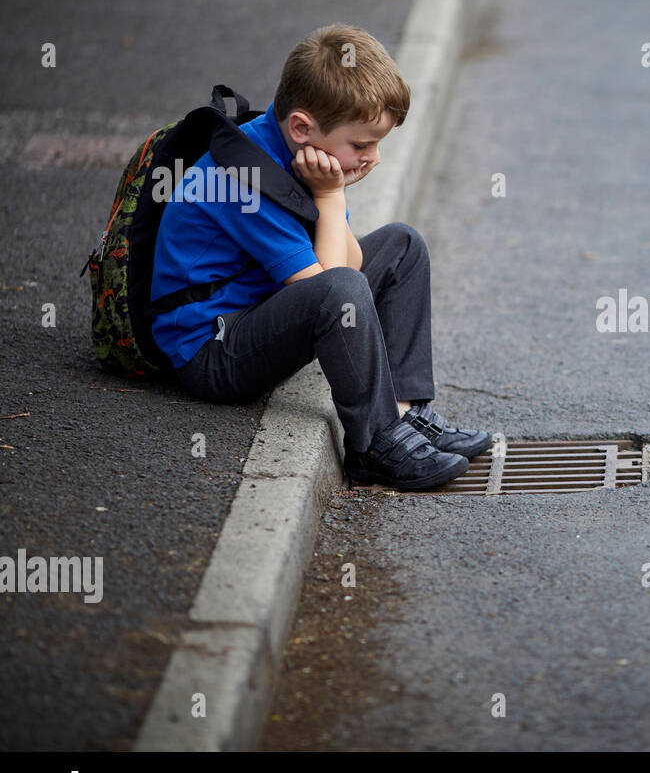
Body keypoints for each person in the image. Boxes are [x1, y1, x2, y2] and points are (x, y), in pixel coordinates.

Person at [150, 24, 489, 491]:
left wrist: (330, 196)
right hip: (211, 351)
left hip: (260, 311)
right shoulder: (244, 180)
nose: (373, 158)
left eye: (378, 144)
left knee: (402, 245)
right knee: (341, 290)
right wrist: (330, 198)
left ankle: (407, 413)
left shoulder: (297, 152)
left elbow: (344, 262)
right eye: (362, 144)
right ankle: (374, 443)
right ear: (303, 127)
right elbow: (336, 291)